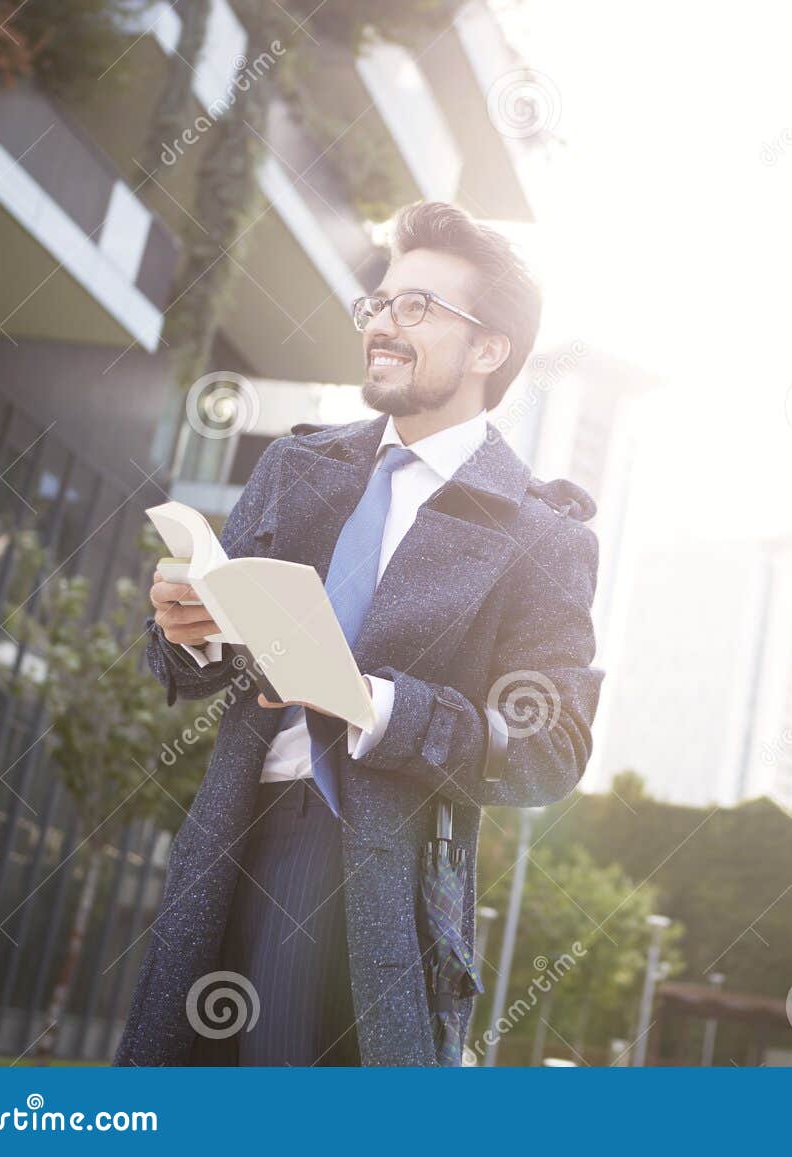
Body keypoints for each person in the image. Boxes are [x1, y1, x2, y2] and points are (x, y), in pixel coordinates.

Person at [115, 201, 601, 1066]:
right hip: (224, 838)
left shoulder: (543, 533)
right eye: (378, 303)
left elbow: (550, 746)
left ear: (488, 350)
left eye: (418, 307)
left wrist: (373, 704)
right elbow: (190, 667)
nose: (383, 324)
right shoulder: (295, 465)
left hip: (367, 870)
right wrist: (188, 630)